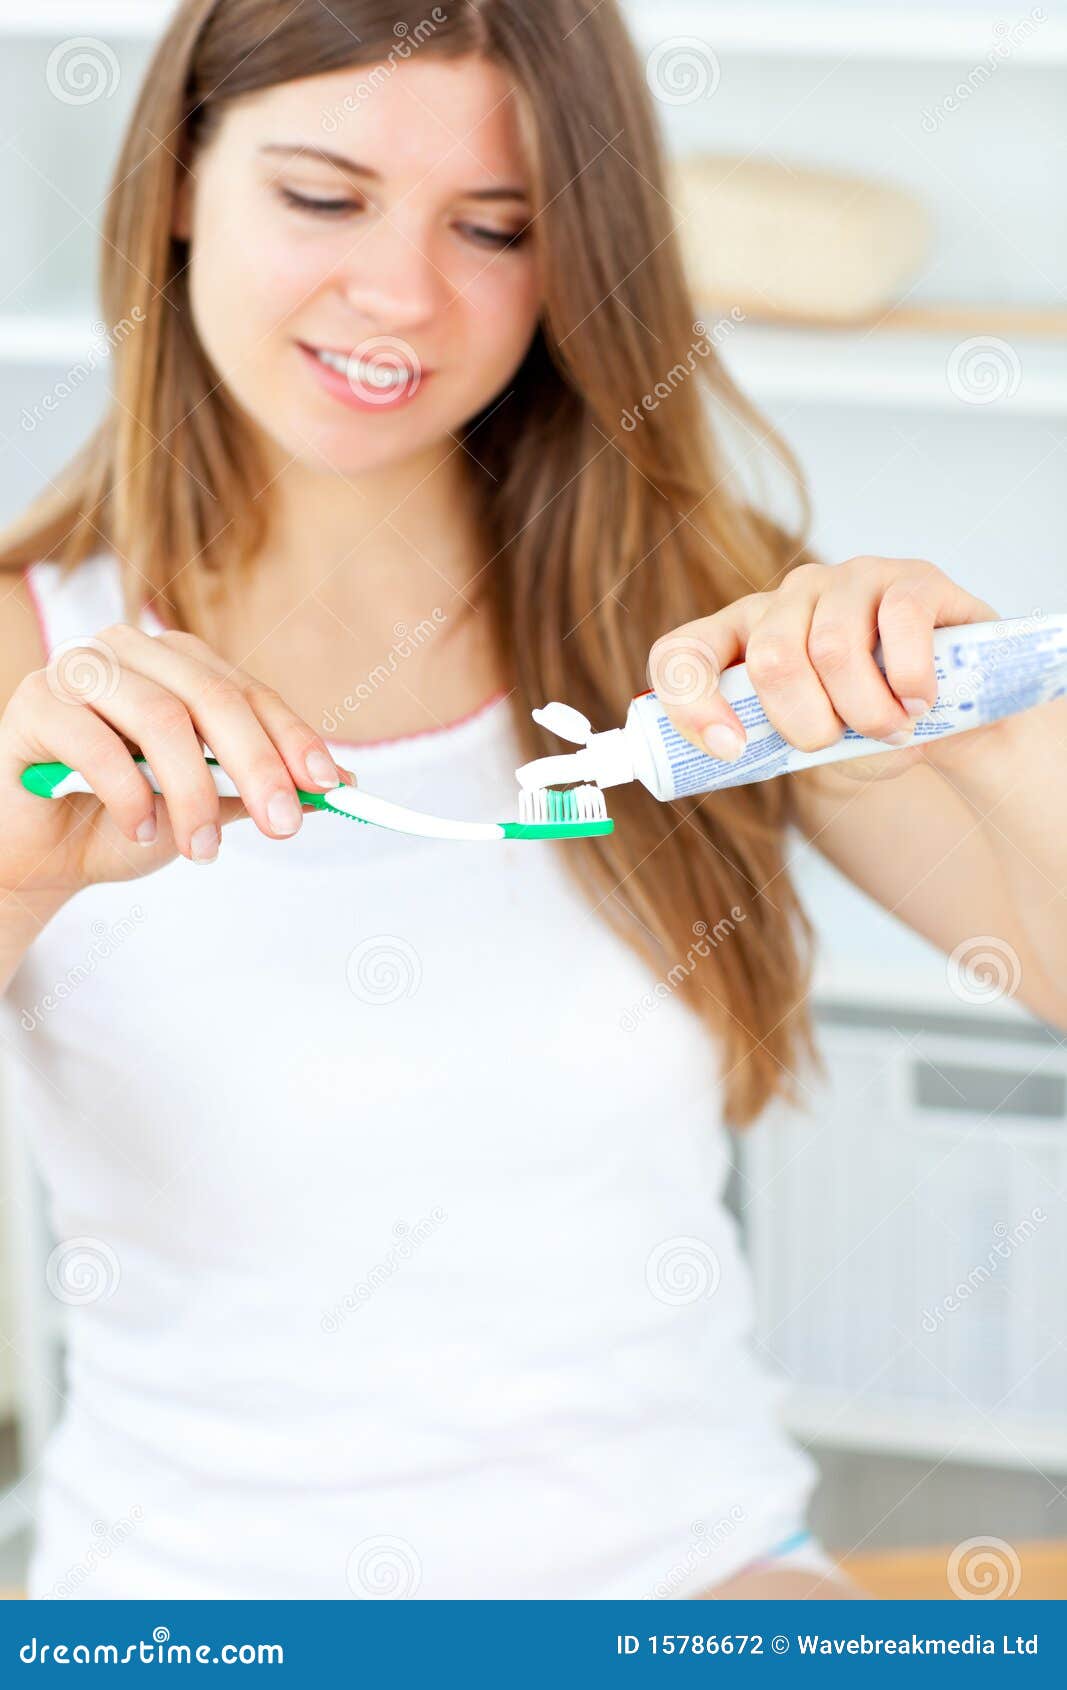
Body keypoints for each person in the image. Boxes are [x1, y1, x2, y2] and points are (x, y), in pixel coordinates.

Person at [1, 0, 1063, 1601]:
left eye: (494, 227)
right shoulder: (33, 658)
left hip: (705, 1586)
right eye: (323, 196)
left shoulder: (704, 618)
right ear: (176, 177)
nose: (400, 295)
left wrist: (995, 734)